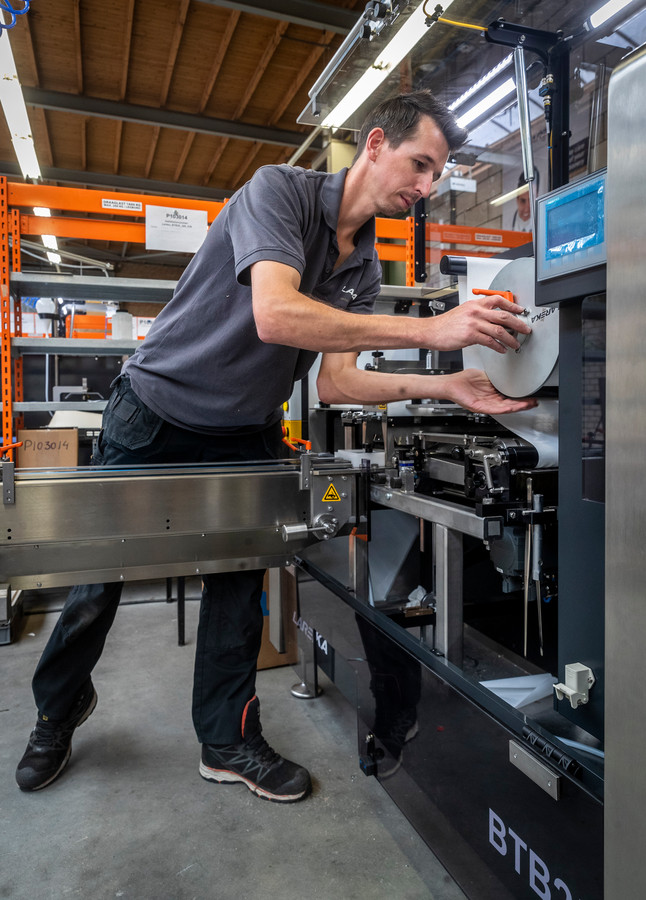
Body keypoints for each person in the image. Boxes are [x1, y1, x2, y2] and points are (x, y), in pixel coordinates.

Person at [15, 90, 534, 803]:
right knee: (99, 574)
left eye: (437, 175)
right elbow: (276, 314)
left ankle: (226, 740)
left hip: (243, 428)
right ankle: (56, 710)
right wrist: (433, 329)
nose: (426, 188)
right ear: (376, 144)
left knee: (237, 584)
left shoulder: (363, 269)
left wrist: (452, 389)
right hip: (156, 409)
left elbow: (342, 384)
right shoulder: (278, 192)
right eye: (420, 164)